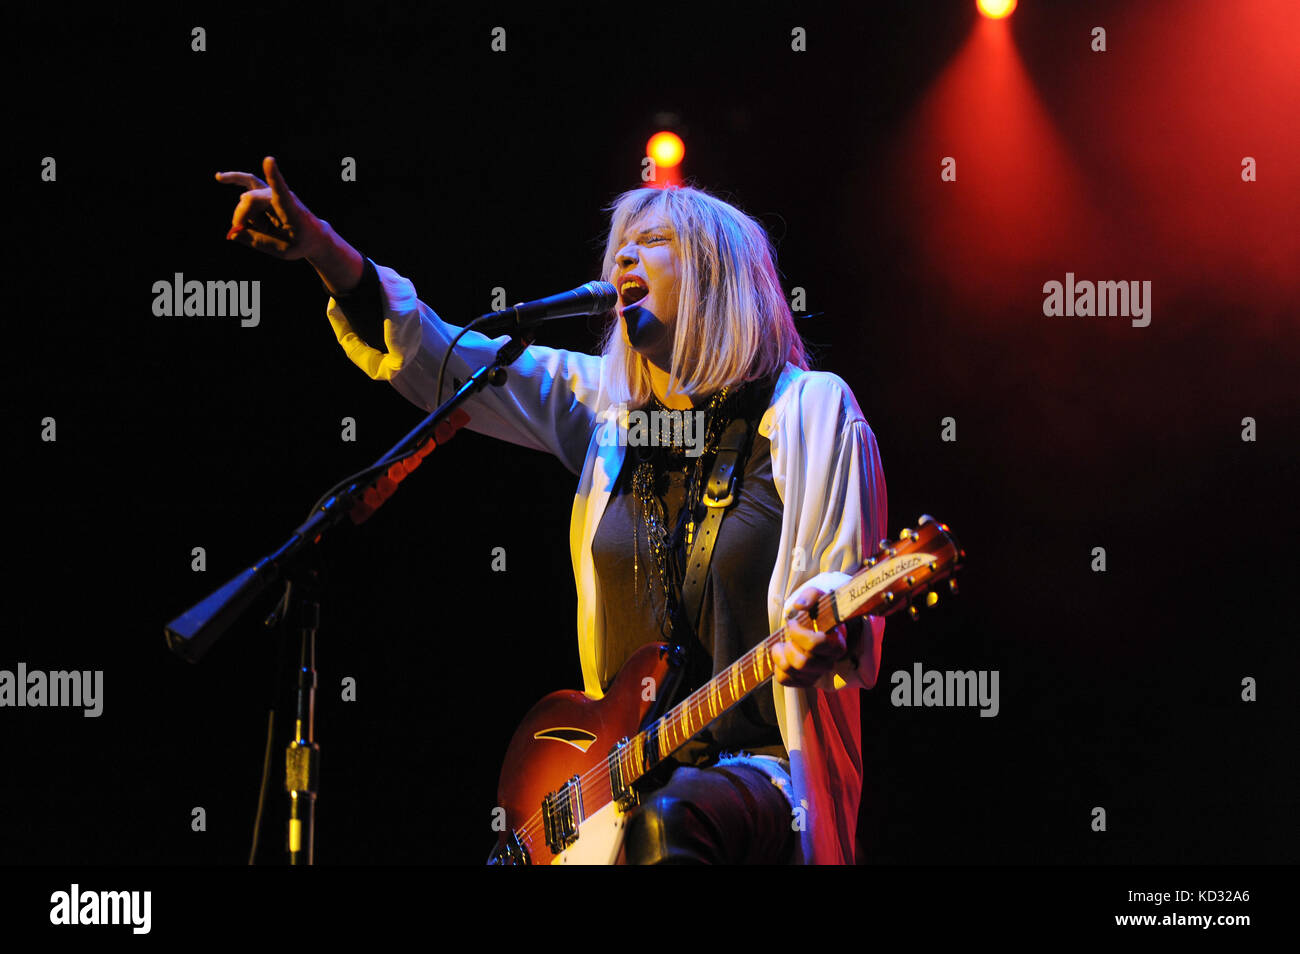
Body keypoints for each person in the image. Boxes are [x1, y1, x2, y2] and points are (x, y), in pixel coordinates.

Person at [216, 157, 889, 864]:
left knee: (672, 821)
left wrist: (830, 626)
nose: (625, 252)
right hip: (626, 781)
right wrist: (325, 251)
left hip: (762, 778)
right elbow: (445, 360)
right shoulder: (610, 413)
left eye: (655, 241)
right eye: (620, 244)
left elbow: (845, 594)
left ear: (717, 277)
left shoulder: (812, 411)